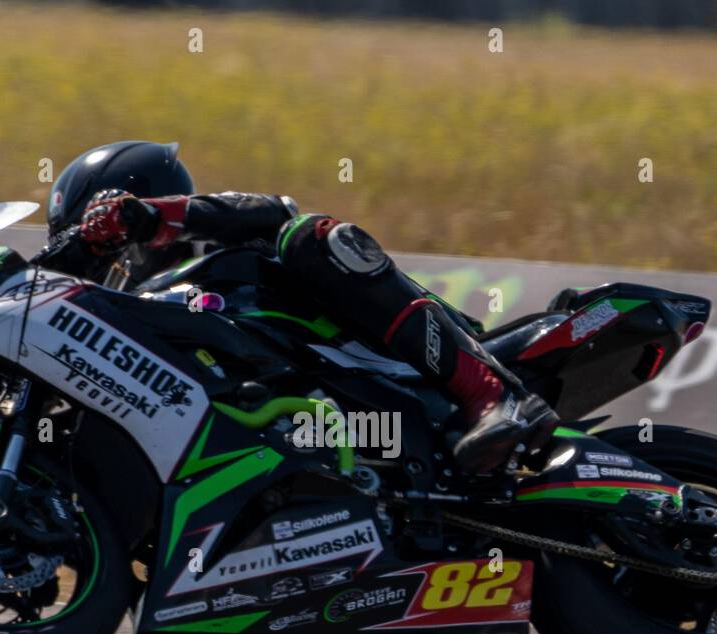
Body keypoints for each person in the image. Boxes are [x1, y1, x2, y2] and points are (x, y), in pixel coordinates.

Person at [44, 141, 558, 474]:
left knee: (310, 237)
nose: (101, 252)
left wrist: (152, 217)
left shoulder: (223, 252)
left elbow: (277, 211)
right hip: (333, 436)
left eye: (101, 235)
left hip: (407, 367)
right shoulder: (139, 317)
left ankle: (493, 396)